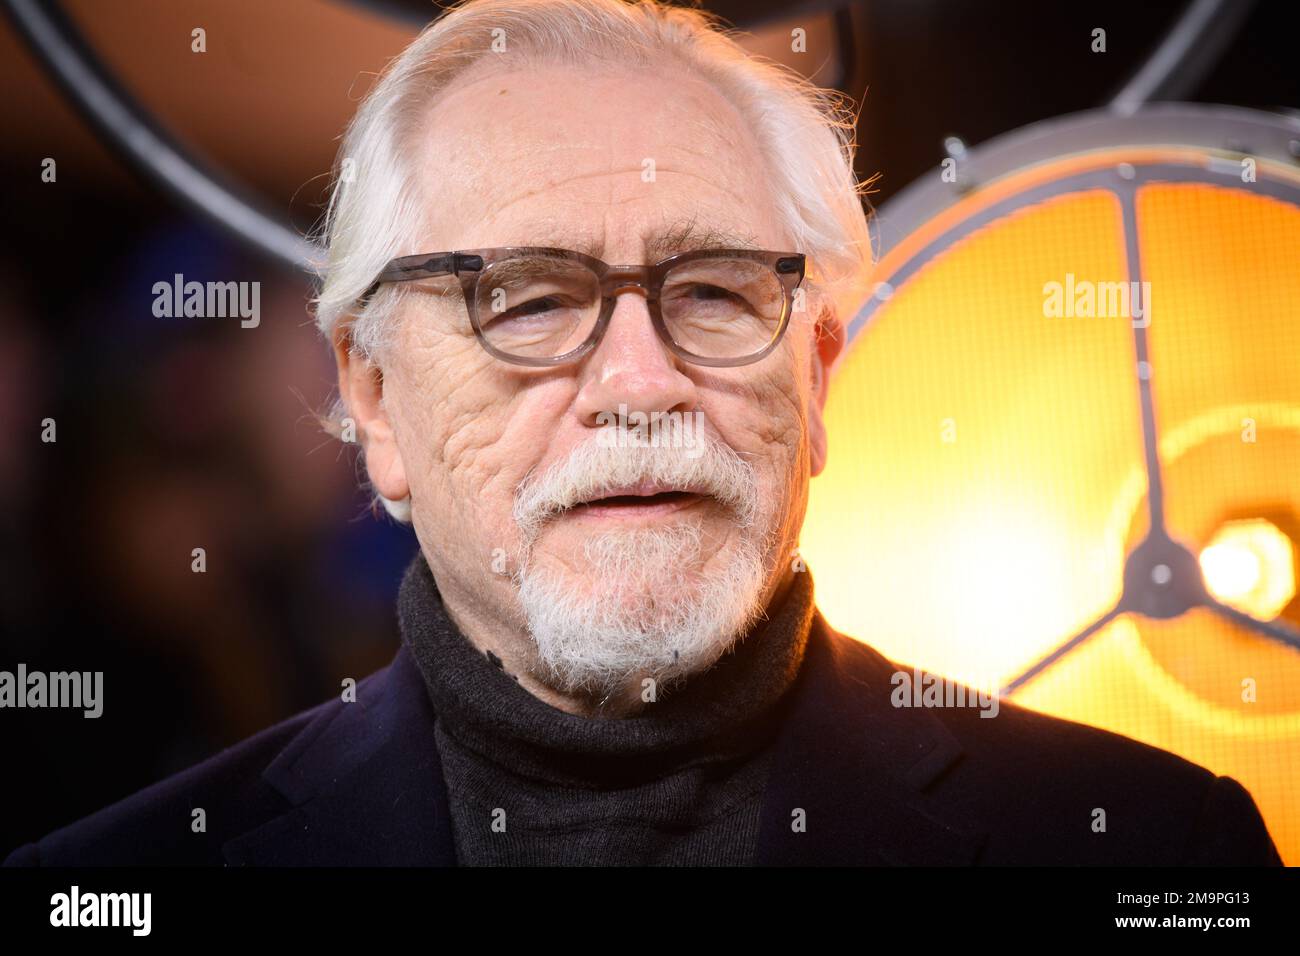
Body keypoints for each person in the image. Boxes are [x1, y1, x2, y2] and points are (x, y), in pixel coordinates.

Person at [5, 0, 1282, 866]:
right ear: (379, 402)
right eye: (529, 298)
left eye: (716, 292)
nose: (638, 380)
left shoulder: (1154, 845)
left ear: (821, 379)